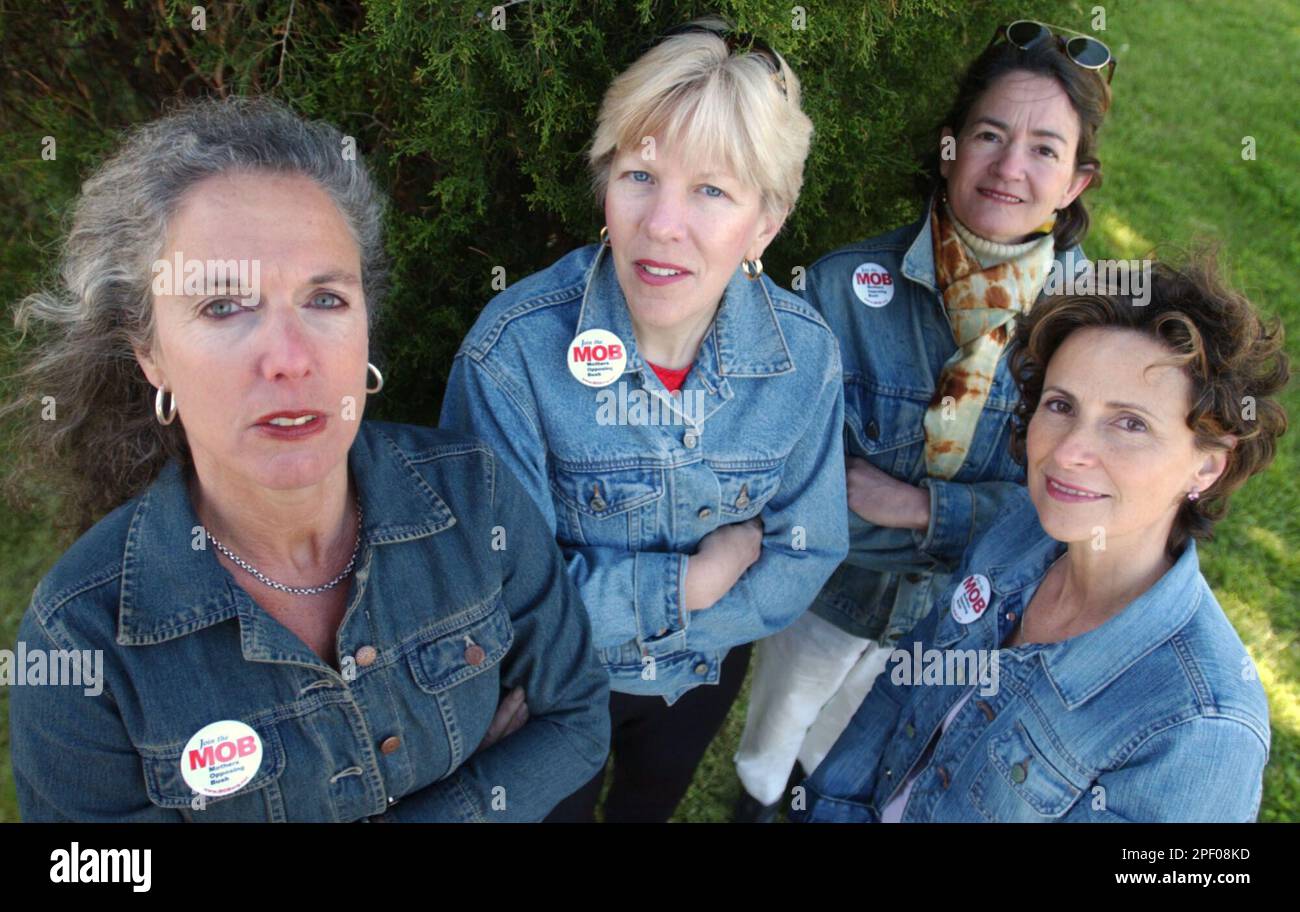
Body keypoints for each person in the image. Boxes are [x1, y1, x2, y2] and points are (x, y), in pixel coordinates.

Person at [5, 96, 610, 822]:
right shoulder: (81, 639)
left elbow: (576, 718)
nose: (290, 359)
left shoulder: (473, 495)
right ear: (150, 354)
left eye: (324, 299)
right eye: (223, 307)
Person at [439, 18, 846, 822]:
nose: (661, 223)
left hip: (701, 677)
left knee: (649, 802)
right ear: (605, 186)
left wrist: (650, 622)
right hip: (554, 693)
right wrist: (696, 581)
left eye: (711, 191)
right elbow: (504, 595)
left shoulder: (804, 357)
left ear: (765, 223)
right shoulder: (512, 355)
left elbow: (809, 547)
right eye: (640, 175)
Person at [734, 20, 1114, 820]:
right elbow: (798, 492)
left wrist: (916, 508)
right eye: (989, 135)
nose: (1009, 167)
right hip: (825, 598)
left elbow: (1071, 520)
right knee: (771, 748)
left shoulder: (1095, 332)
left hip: (959, 626)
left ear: (1076, 182)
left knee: (862, 766)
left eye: (1045, 149)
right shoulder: (841, 290)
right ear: (949, 149)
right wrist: (990, 522)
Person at [793, 255, 1287, 821]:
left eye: (1130, 423)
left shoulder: (1201, 727)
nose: (1069, 451)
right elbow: (901, 690)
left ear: (1207, 466)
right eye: (1061, 405)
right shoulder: (1019, 533)